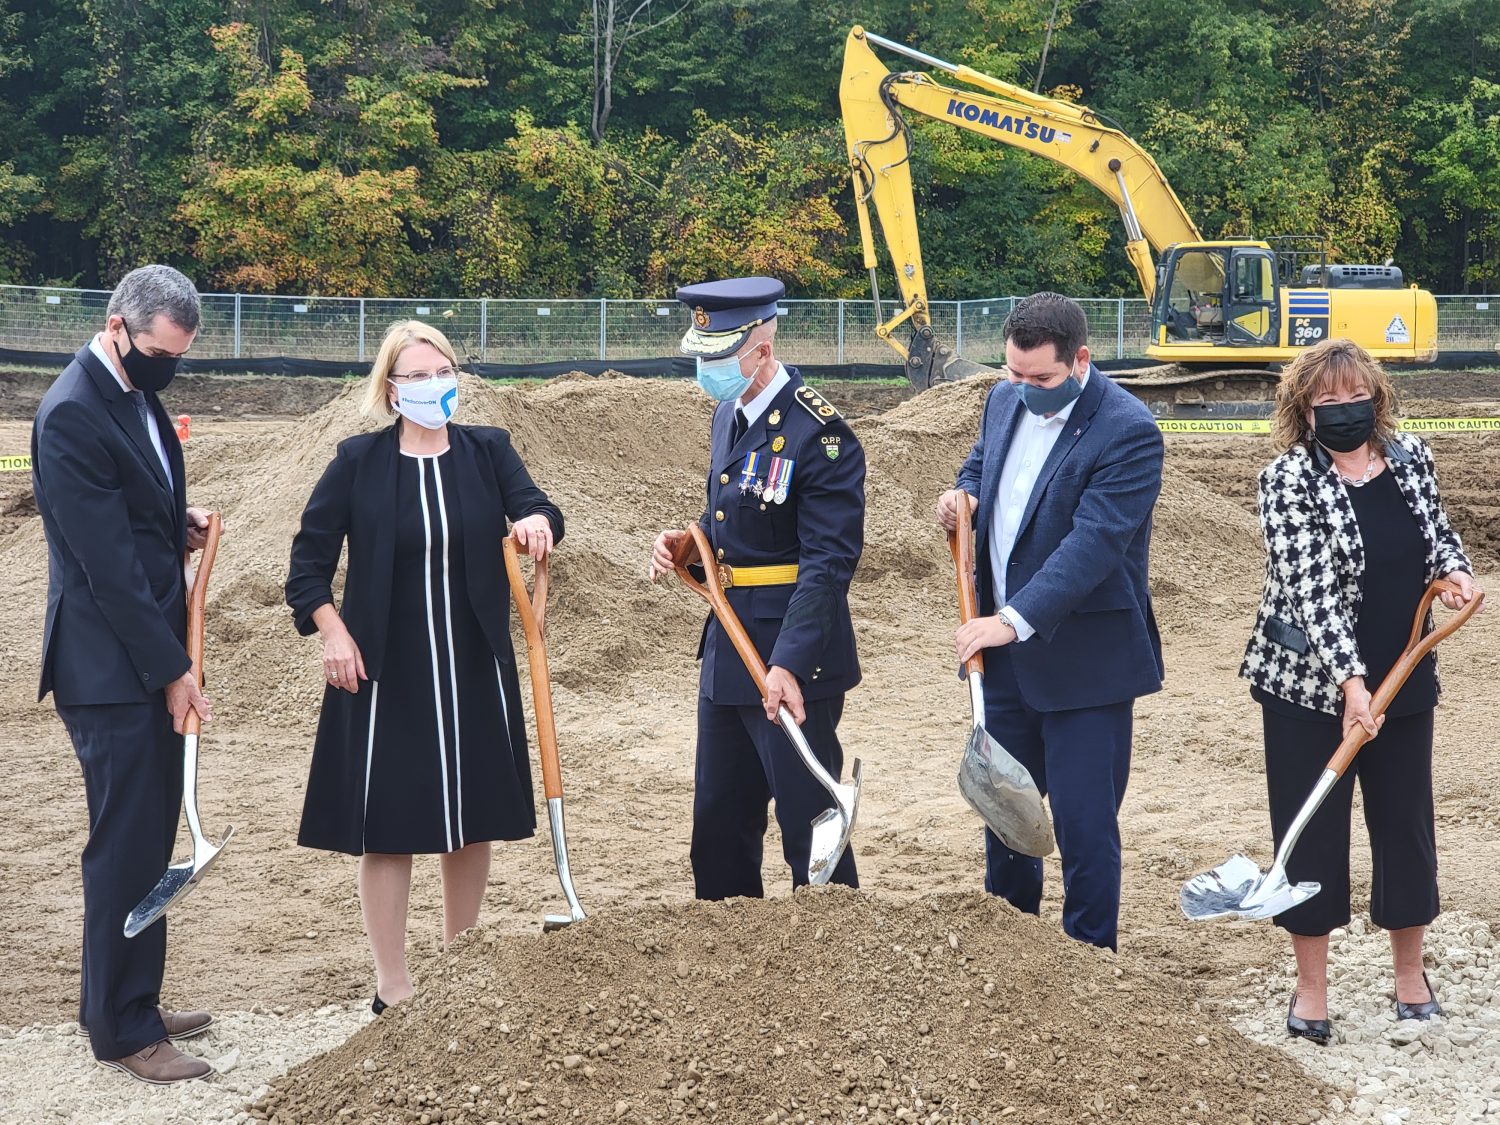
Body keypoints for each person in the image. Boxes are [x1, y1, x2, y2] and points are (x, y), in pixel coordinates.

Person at [285, 320, 562, 1013]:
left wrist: (536, 524)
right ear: (390, 387)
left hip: (473, 662)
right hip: (385, 671)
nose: (434, 384)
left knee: (470, 818)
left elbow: (538, 505)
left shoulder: (487, 451)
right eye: (417, 375)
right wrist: (332, 633)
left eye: (443, 371)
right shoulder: (358, 462)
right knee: (391, 823)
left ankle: (458, 967)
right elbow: (307, 569)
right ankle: (394, 987)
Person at [1240, 337, 1480, 1046]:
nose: (1345, 411)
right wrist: (1351, 683)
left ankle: (1411, 973)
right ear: (1303, 410)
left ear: (1376, 399)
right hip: (1308, 689)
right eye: (1328, 402)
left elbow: (1436, 535)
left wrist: (1457, 572)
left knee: (1405, 825)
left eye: (1356, 399)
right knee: (1309, 832)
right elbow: (1312, 592)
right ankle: (1311, 988)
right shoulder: (1286, 481)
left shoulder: (1410, 458)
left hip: (1404, 674)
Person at [31, 264, 219, 1083]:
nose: (164, 368)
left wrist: (177, 521)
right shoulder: (72, 412)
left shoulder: (132, 391)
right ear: (117, 326)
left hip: (136, 656)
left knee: (147, 841)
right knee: (126, 848)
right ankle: (123, 1028)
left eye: (177, 356)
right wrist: (174, 669)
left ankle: (123, 997)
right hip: (109, 668)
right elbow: (103, 567)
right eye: (155, 353)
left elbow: (129, 504)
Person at [935, 291, 1164, 952]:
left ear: (1080, 359)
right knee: (1006, 817)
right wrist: (962, 496)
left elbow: (1092, 545)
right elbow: (983, 464)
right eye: (1013, 373)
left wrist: (1011, 619)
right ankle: (1015, 959)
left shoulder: (1128, 431)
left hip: (1085, 664)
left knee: (1085, 827)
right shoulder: (1002, 400)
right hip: (1001, 665)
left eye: (1041, 378)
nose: (1023, 388)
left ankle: (1092, 969)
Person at [649, 276, 864, 899]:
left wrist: (789, 663)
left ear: (761, 352)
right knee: (718, 826)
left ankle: (835, 958)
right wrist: (690, 548)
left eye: (715, 359)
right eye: (700, 355)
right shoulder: (728, 414)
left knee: (809, 827)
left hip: (790, 661)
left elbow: (827, 563)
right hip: (727, 649)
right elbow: (737, 525)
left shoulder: (820, 433)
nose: (703, 370)